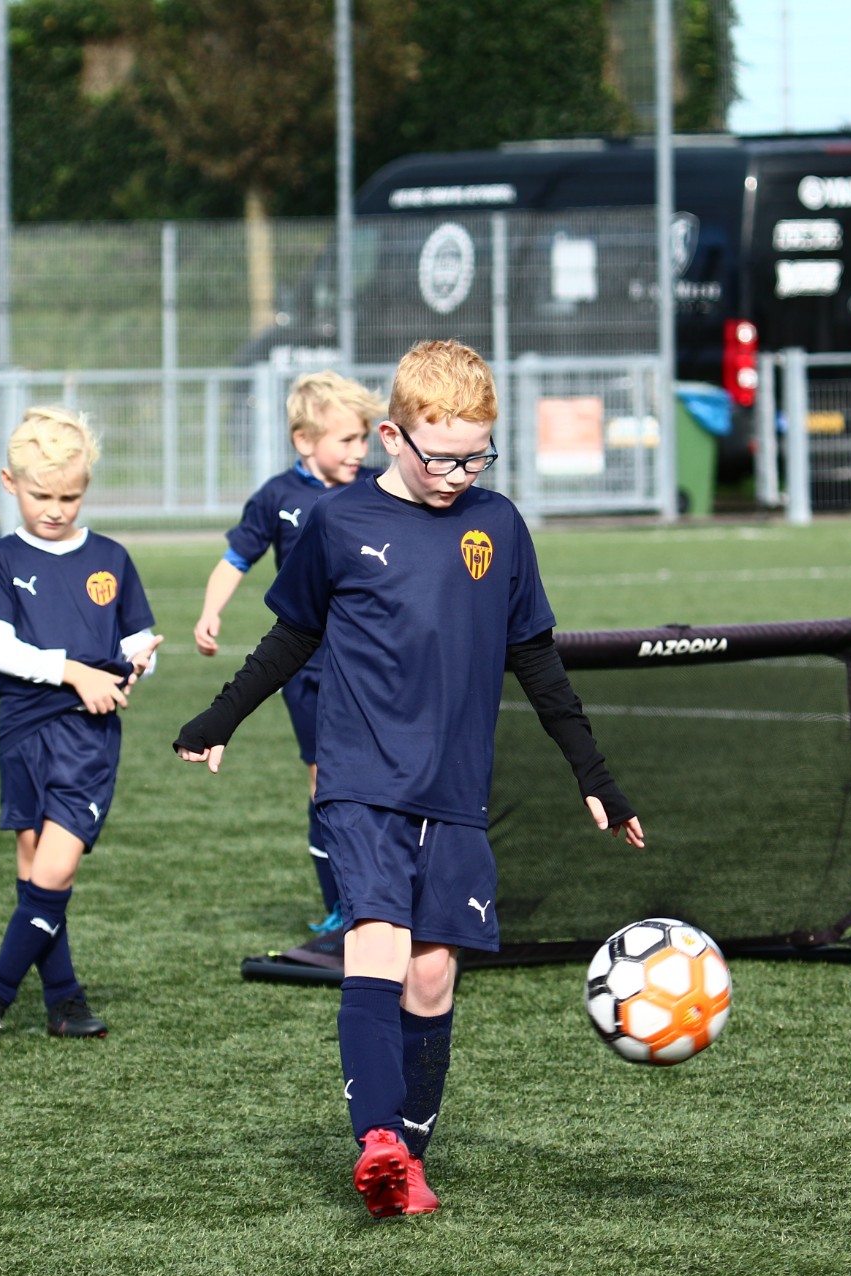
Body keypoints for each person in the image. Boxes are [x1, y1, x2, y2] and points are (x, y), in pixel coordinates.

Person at [174, 340, 645, 1217]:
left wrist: (595, 773)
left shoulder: (497, 525)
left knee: (433, 980)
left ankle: (409, 1154)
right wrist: (218, 717)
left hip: (456, 793)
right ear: (393, 434)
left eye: (478, 455)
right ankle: (378, 1139)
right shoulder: (338, 524)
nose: (459, 472)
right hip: (360, 782)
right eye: (442, 455)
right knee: (378, 948)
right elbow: (291, 637)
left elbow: (535, 658)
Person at [0, 406, 161, 1042]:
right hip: (20, 729)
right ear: (10, 484)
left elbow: (140, 641)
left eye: (70, 495)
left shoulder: (112, 558)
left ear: (86, 486)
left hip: (85, 738)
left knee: (56, 870)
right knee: (34, 863)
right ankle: (64, 999)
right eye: (41, 494)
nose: (56, 508)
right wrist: (76, 671)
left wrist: (140, 661)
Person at [193, 370, 385, 936]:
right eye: (347, 439)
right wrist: (211, 612)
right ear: (305, 441)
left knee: (384, 778)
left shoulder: (379, 487)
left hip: (375, 664)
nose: (360, 450)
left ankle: (389, 896)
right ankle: (341, 905)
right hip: (311, 670)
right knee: (325, 781)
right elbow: (235, 560)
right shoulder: (277, 497)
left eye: (364, 438)